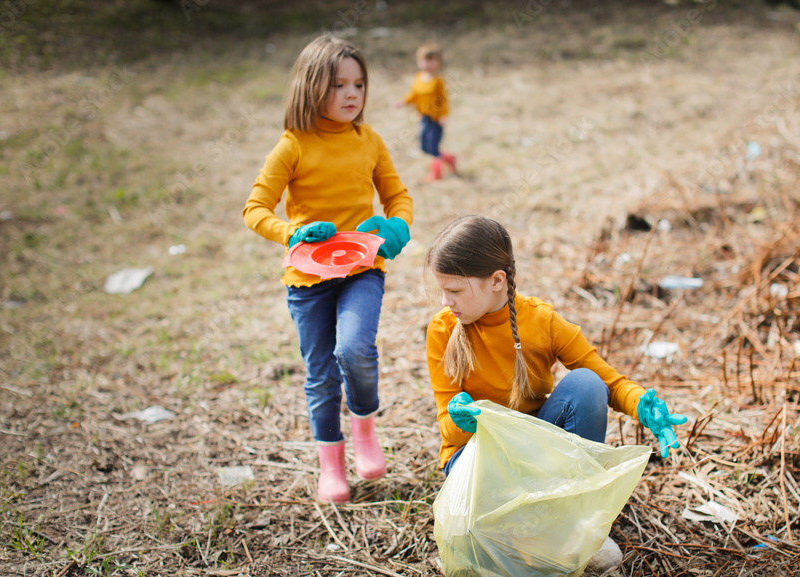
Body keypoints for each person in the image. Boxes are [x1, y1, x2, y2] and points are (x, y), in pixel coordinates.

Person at [243, 34, 413, 504]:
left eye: (358, 83)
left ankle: (364, 432)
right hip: (308, 279)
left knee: (355, 349)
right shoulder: (291, 146)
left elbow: (397, 197)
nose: (352, 94)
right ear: (312, 87)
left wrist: (397, 226)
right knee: (320, 374)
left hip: (362, 269)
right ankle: (330, 464)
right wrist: (290, 233)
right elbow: (255, 208)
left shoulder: (369, 140)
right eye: (339, 85)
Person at [425, 214, 686, 475]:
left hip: (533, 448)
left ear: (496, 281)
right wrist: (463, 422)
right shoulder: (443, 330)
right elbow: (449, 429)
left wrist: (641, 404)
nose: (446, 301)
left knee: (587, 383)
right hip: (478, 457)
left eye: (455, 291)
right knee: (487, 477)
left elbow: (609, 383)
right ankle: (535, 494)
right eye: (443, 291)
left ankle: (575, 486)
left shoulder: (542, 321)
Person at [396, 42, 456, 182]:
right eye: (424, 60)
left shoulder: (438, 81)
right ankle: (449, 158)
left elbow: (443, 99)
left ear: (438, 62)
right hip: (424, 117)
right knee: (424, 146)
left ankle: (436, 174)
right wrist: (402, 102)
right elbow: (413, 94)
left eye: (432, 61)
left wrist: (443, 115)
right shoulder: (418, 78)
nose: (428, 64)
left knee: (433, 146)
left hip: (436, 119)